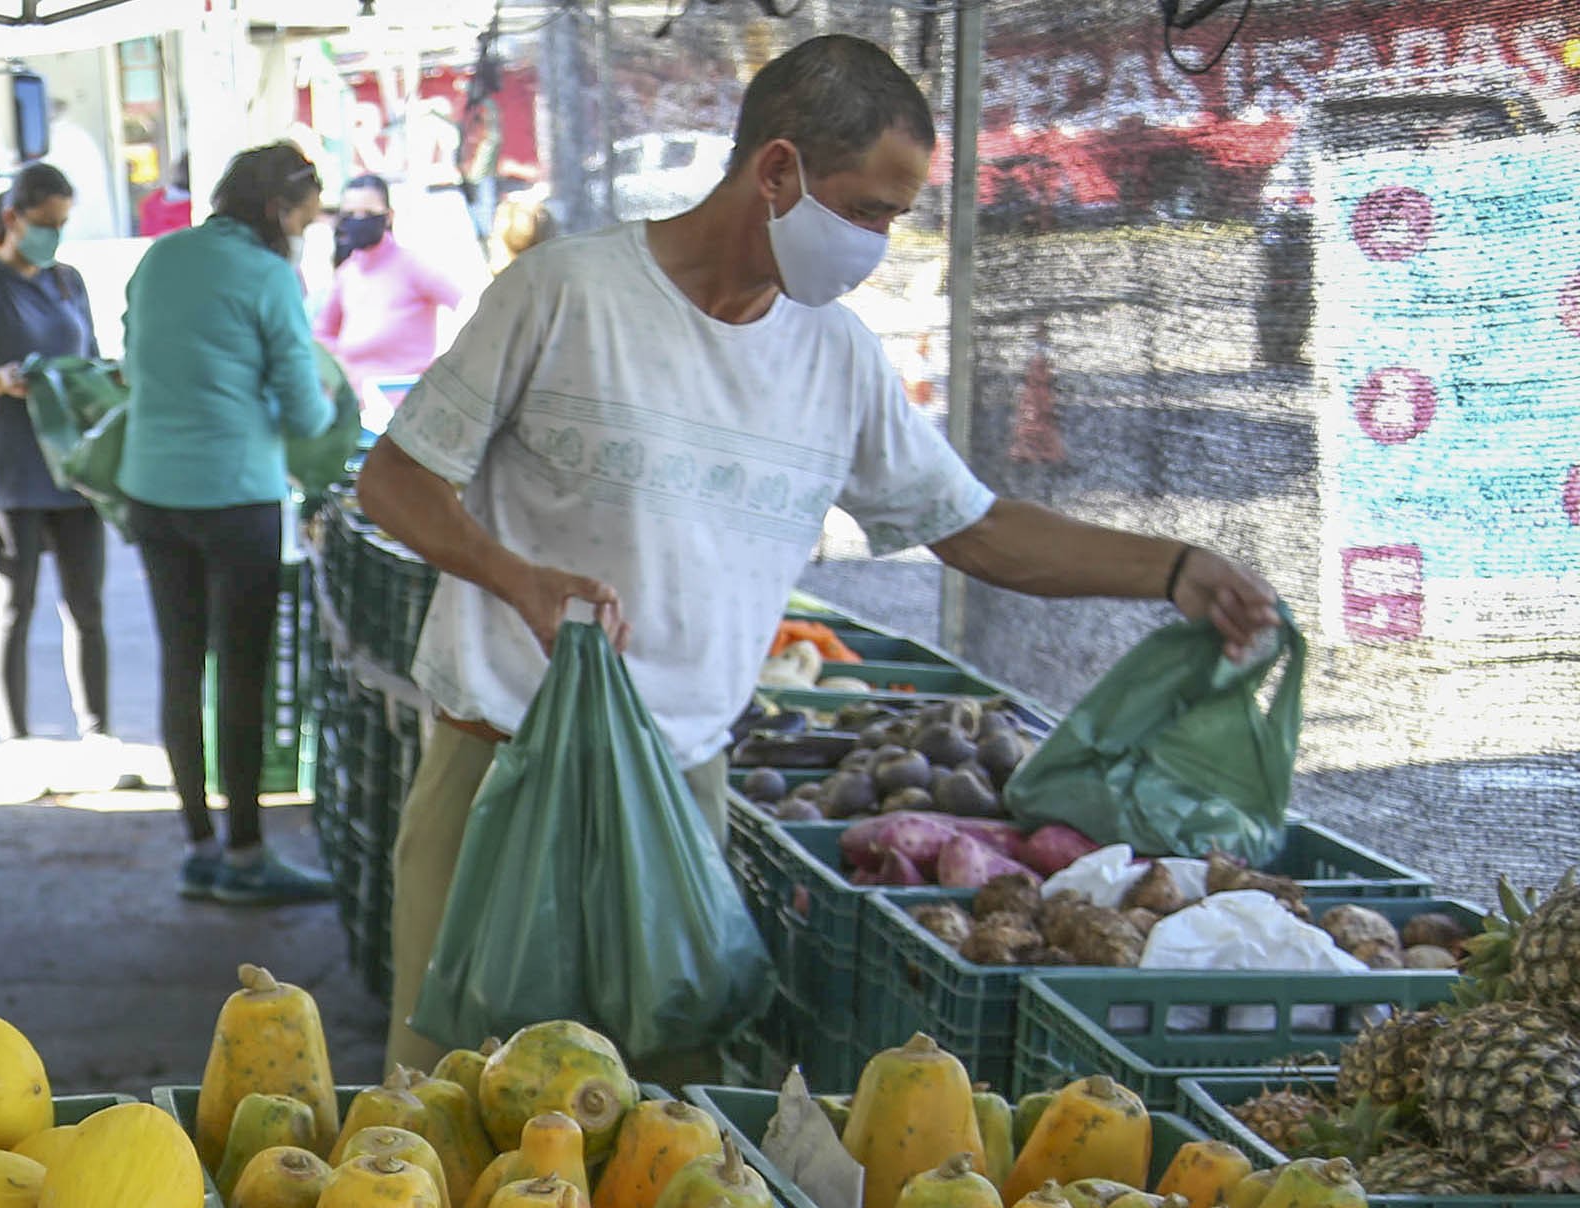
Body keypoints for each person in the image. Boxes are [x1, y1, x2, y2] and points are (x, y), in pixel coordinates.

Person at [357, 34, 1280, 1070]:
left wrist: (1167, 568)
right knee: (444, 1104)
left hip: (677, 787)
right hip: (500, 764)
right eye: (869, 209)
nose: (879, 241)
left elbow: (971, 526)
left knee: (650, 1114)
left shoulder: (836, 357)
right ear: (777, 171)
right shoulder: (564, 295)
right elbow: (393, 478)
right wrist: (515, 579)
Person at [116, 142, 342, 905]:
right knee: (241, 674)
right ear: (278, 211)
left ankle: (200, 846)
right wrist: (317, 403)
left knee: (181, 665)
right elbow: (307, 408)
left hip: (151, 490)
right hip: (234, 495)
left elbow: (132, 360)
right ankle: (248, 856)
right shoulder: (269, 275)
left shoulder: (161, 257)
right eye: (305, 218)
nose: (305, 232)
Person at [0, 162, 125, 773]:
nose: (54, 236)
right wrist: (6, 379)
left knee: (87, 608)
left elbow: (91, 359)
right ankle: (16, 741)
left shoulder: (67, 281)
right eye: (46, 224)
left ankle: (98, 731)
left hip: (76, 468)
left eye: (63, 225)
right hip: (13, 470)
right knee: (14, 608)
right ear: (14, 218)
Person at [316, 174, 484, 408]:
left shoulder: (413, 266)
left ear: (388, 216)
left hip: (408, 408)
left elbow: (469, 308)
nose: (358, 220)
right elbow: (321, 333)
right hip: (358, 408)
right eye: (350, 215)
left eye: (367, 213)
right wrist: (340, 360)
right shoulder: (346, 274)